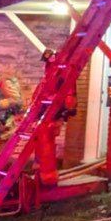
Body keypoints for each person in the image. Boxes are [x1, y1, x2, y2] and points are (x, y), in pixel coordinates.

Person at [34, 49, 77, 188]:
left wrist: (64, 112)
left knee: (47, 144)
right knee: (41, 143)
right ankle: (42, 173)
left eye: (49, 62)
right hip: (44, 115)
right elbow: (39, 94)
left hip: (53, 114)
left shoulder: (63, 76)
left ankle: (49, 178)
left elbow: (69, 96)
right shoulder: (48, 76)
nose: (48, 65)